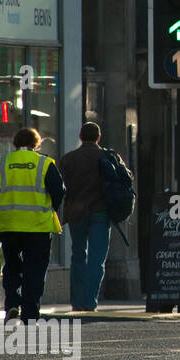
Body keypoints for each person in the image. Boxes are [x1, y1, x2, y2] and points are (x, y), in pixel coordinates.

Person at [0, 128, 65, 322]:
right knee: (35, 269)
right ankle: (30, 312)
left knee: (12, 265)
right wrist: (51, 207)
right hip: (38, 226)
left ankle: (12, 304)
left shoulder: (2, 163)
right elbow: (59, 190)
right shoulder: (44, 162)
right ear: (36, 143)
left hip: (8, 226)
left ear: (15, 143)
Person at [59, 122, 115, 311]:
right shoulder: (107, 156)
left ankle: (77, 301)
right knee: (96, 259)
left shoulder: (68, 159)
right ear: (98, 138)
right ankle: (90, 301)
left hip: (76, 212)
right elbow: (125, 178)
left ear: (80, 137)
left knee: (77, 255)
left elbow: (60, 187)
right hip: (100, 211)